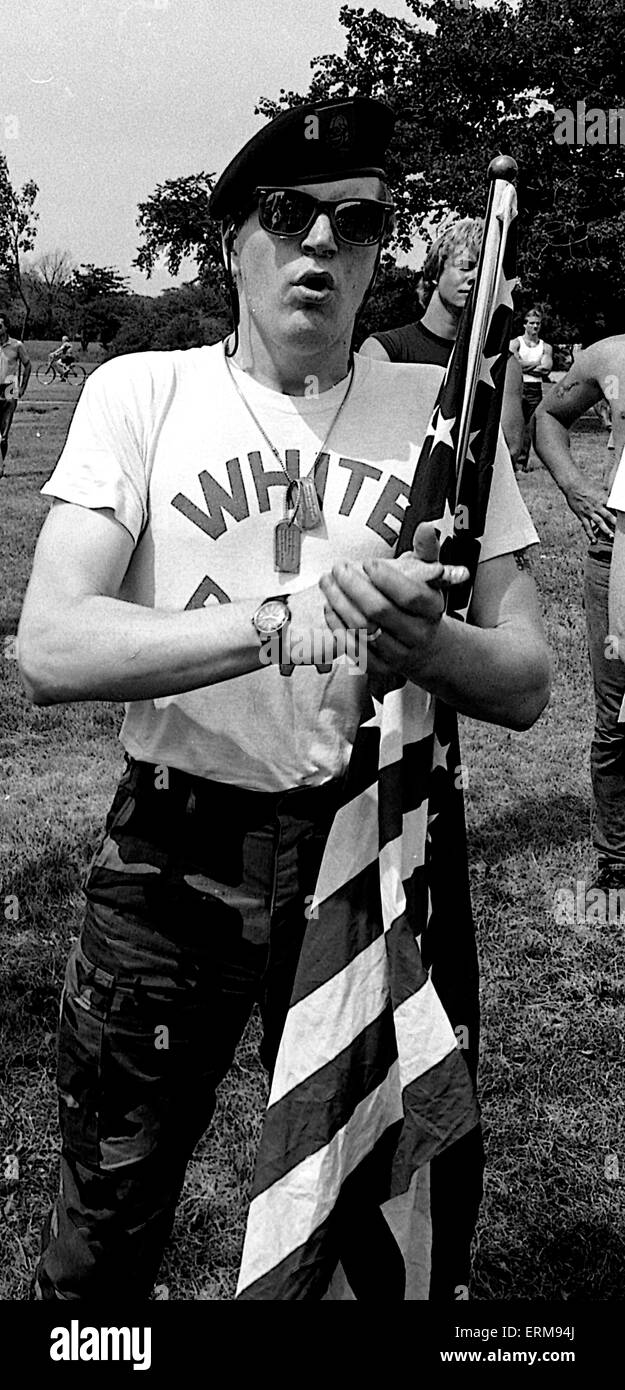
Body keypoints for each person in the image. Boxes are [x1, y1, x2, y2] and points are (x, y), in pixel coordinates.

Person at [18, 96, 550, 1301]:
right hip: (174, 864)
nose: (319, 246)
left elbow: (522, 679)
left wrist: (432, 647)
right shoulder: (140, 395)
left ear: (378, 256)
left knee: (379, 1215)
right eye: (285, 216)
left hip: (379, 859)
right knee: (106, 1229)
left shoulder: (439, 419)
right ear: (231, 242)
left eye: (353, 225)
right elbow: (51, 645)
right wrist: (275, 621)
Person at [533, 334, 625, 891]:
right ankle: (616, 858)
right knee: (617, 713)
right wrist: (576, 488)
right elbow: (547, 415)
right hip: (616, 549)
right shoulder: (610, 356)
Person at [360, 218, 525, 466]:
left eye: (486, 273)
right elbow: (366, 439)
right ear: (437, 272)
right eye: (466, 266)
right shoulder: (385, 351)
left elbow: (510, 448)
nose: (475, 279)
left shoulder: (503, 365)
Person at [510, 308, 553, 470]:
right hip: (517, 387)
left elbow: (546, 369)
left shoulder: (545, 347)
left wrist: (525, 366)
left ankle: (521, 463)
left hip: (535, 388)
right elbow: (515, 365)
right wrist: (536, 364)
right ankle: (509, 461)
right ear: (524, 325)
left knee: (530, 427)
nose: (535, 327)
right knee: (514, 425)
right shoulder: (516, 343)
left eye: (538, 324)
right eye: (532, 323)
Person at [0, 313, 31, 473]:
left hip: (9, 387)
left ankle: (1, 465)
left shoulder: (17, 345)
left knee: (4, 434)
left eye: (0, 326)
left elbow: (27, 365)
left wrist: (23, 387)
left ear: (6, 328)